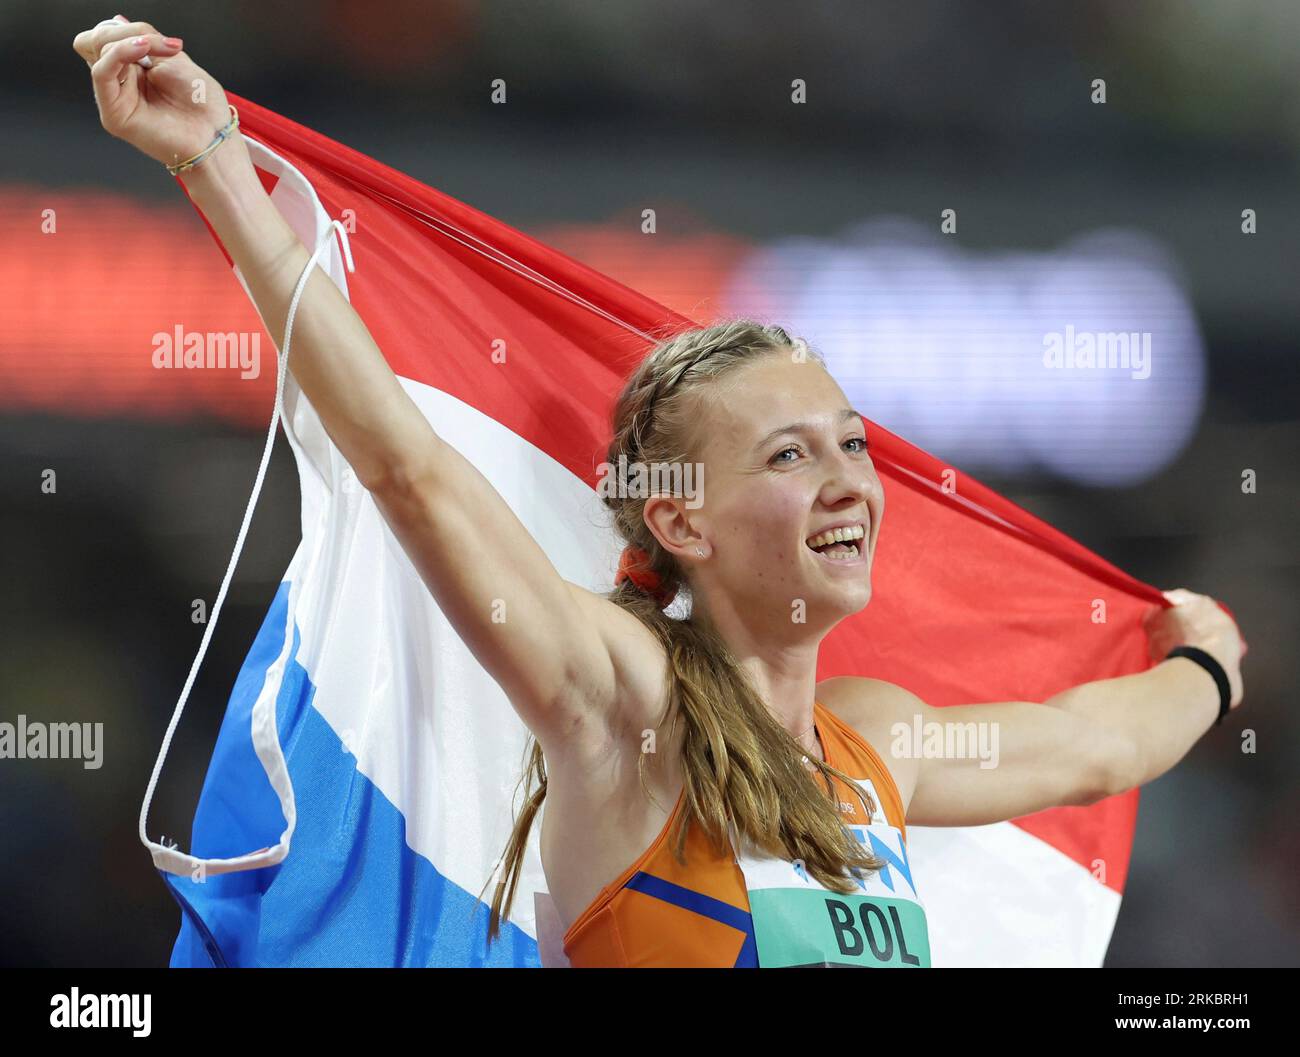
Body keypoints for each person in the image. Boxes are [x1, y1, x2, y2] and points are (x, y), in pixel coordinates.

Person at [74, 17, 1247, 968]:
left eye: (849, 446)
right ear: (682, 516)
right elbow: (409, 469)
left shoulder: (880, 746)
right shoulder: (624, 708)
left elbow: (1097, 746)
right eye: (788, 456)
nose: (848, 482)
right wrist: (213, 158)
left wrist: (1200, 660)